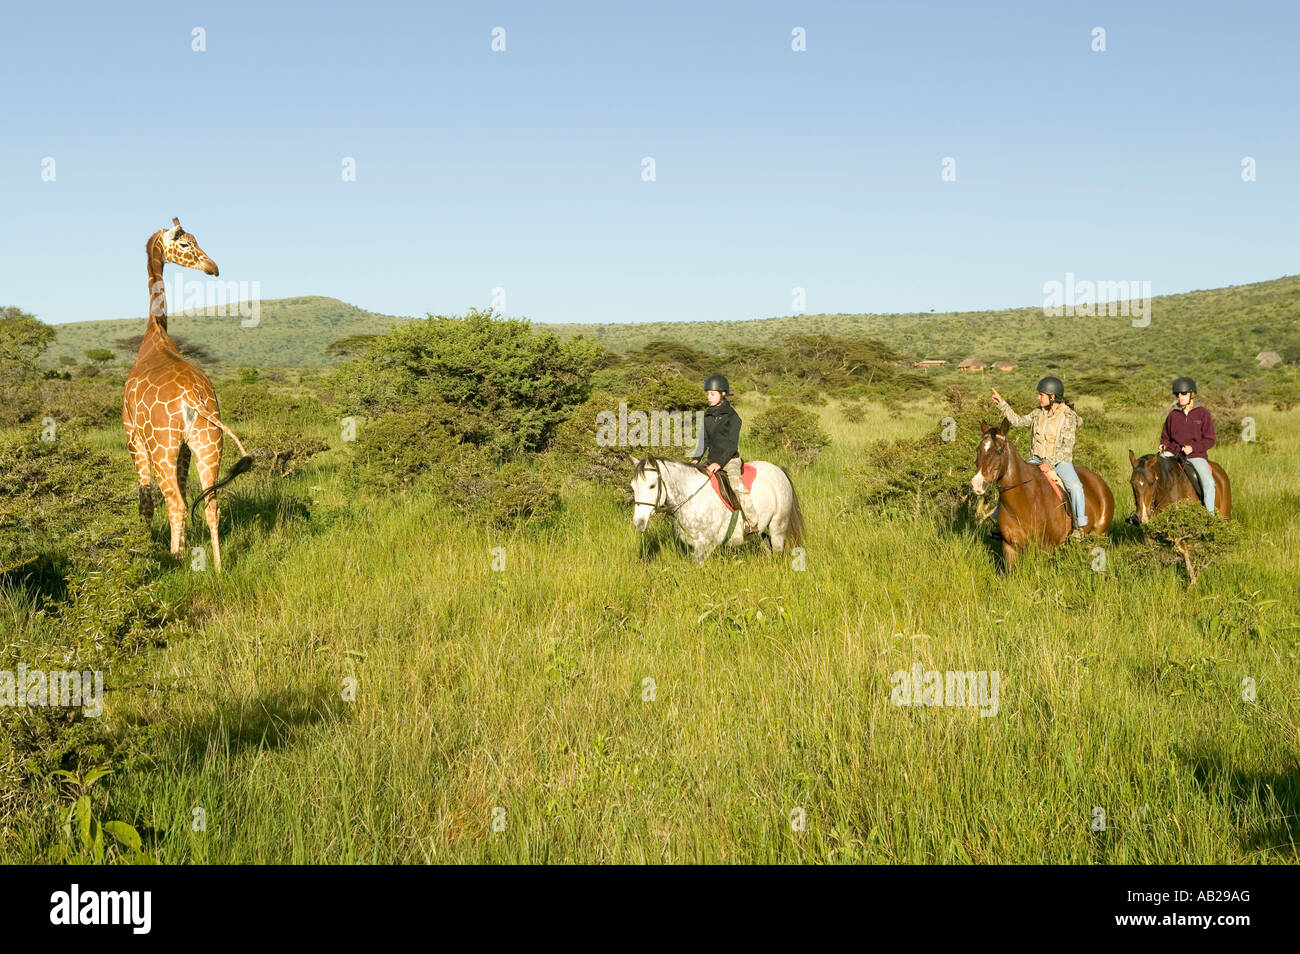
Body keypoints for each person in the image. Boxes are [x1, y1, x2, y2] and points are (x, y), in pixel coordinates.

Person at [989, 376, 1089, 539]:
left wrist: (1049, 464)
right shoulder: (1037, 413)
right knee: (1010, 480)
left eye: (1041, 395)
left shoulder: (1068, 416)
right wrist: (1002, 403)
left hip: (1059, 462)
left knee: (1076, 487)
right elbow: (1018, 422)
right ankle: (999, 521)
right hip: (1035, 459)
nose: (1038, 398)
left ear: (1053, 397)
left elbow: (1067, 446)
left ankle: (1079, 526)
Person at [691, 374, 758, 534]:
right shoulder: (707, 415)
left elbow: (731, 445)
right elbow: (703, 439)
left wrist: (719, 463)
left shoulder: (733, 417)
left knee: (736, 485)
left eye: (712, 394)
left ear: (722, 394)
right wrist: (695, 459)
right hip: (711, 460)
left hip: (730, 460)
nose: (709, 397)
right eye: (707, 394)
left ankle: (752, 521)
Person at [1159, 376, 1217, 514]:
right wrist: (1163, 445)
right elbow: (1165, 437)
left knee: (1209, 484)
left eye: (1183, 393)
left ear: (1191, 394)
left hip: (1195, 455)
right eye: (1177, 394)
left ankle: (1210, 517)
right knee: (1150, 471)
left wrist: (1193, 448)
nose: (1180, 396)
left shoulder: (1203, 414)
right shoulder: (1173, 415)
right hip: (1173, 453)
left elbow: (1210, 439)